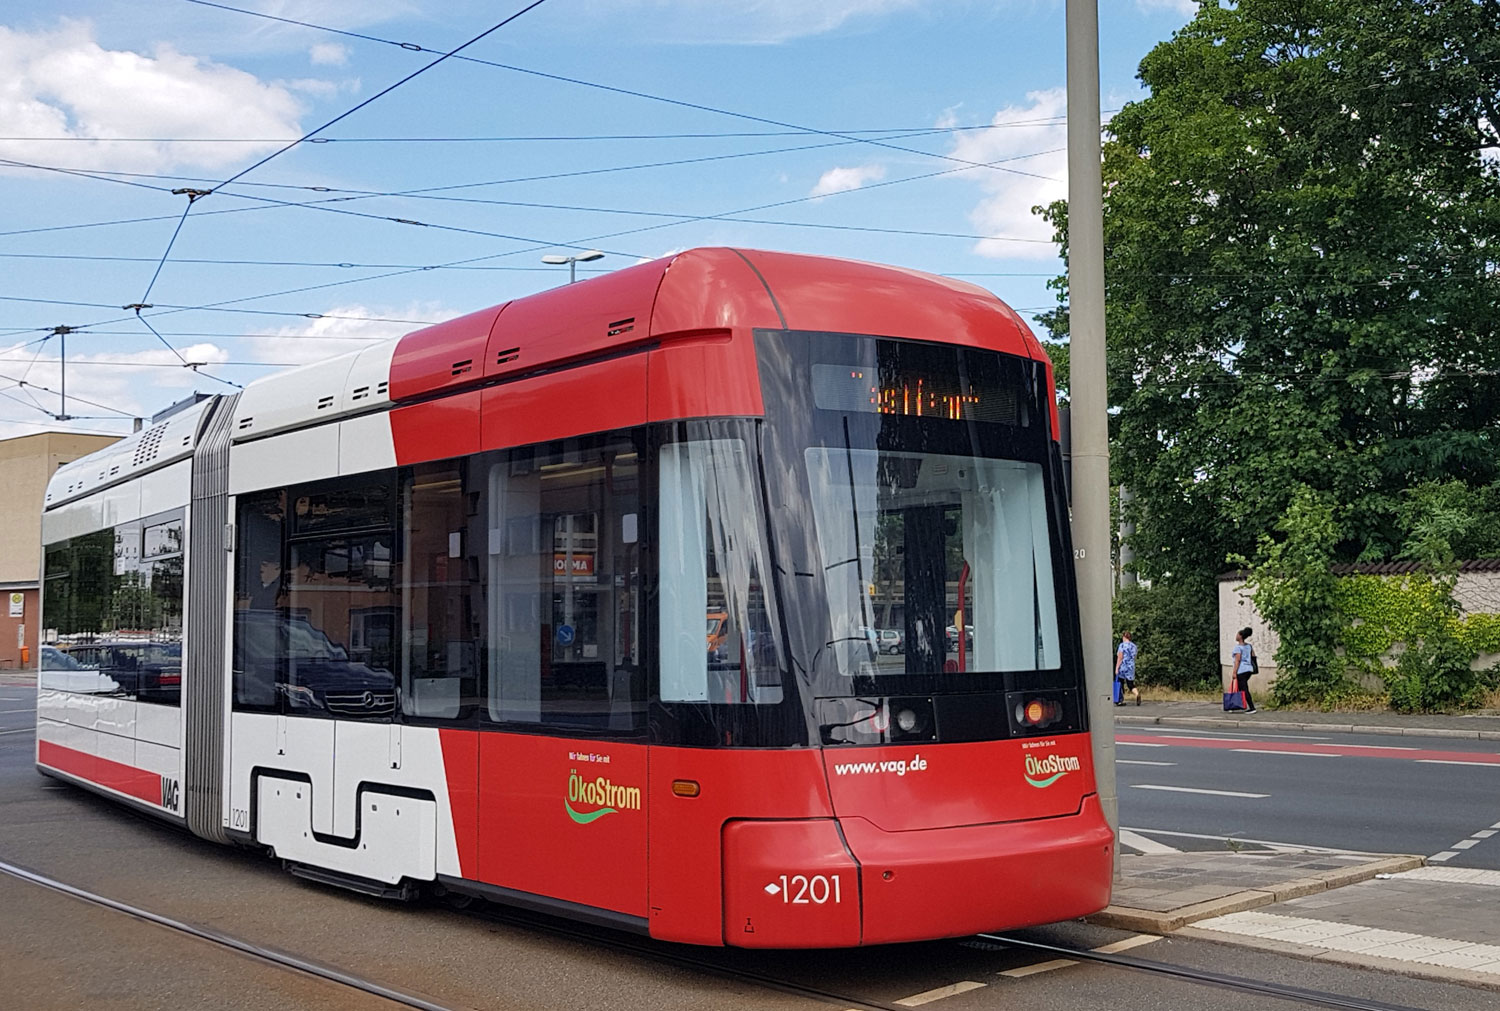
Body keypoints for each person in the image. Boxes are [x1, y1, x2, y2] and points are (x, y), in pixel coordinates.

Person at [1231, 627, 1258, 713]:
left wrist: (1234, 672)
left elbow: (1237, 660)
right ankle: (1236, 705)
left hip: (1241, 670)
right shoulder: (1249, 646)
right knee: (1240, 687)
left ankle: (1252, 707)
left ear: (1240, 636)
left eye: (1237, 634)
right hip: (1249, 669)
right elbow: (1253, 656)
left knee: (1244, 688)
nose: (1236, 636)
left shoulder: (1238, 648)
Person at [1114, 631, 1139, 706]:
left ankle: (1120, 700)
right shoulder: (1134, 646)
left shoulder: (1122, 645)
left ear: (1124, 637)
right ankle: (1137, 694)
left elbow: (1120, 657)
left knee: (1120, 682)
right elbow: (1134, 657)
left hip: (1123, 666)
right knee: (1130, 683)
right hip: (1131, 666)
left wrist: (1117, 668)